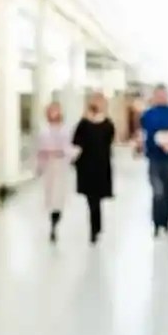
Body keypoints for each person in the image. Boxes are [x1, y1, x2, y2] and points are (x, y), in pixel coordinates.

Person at [139, 85, 168, 237]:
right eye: (158, 94)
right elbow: (145, 134)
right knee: (157, 191)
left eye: (164, 94)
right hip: (154, 157)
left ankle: (166, 222)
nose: (161, 97)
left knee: (167, 189)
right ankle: (157, 223)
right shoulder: (148, 114)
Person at [73, 93, 115, 245]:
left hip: (101, 165)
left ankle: (96, 226)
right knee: (92, 198)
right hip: (86, 166)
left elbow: (110, 139)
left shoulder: (107, 123)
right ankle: (94, 228)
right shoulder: (83, 124)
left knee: (97, 198)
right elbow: (76, 142)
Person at [35, 102, 76, 242]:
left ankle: (55, 222)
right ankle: (52, 223)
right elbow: (39, 150)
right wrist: (39, 167)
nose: (54, 114)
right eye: (51, 111)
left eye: (56, 111)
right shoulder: (43, 131)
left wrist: (65, 154)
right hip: (49, 167)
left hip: (61, 166)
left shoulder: (65, 130)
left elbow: (70, 149)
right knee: (50, 197)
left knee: (59, 197)